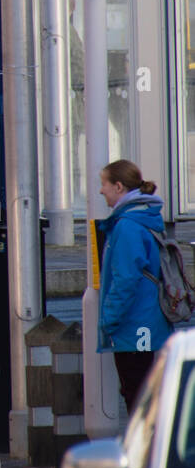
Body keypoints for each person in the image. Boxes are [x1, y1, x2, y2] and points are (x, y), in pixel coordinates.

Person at [97, 159, 173, 413]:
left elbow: (125, 280)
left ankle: (146, 453)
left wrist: (108, 321)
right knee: (148, 397)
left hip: (135, 325)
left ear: (118, 186)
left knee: (138, 399)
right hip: (148, 322)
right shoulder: (142, 218)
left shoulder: (128, 226)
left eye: (104, 184)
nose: (101, 190)